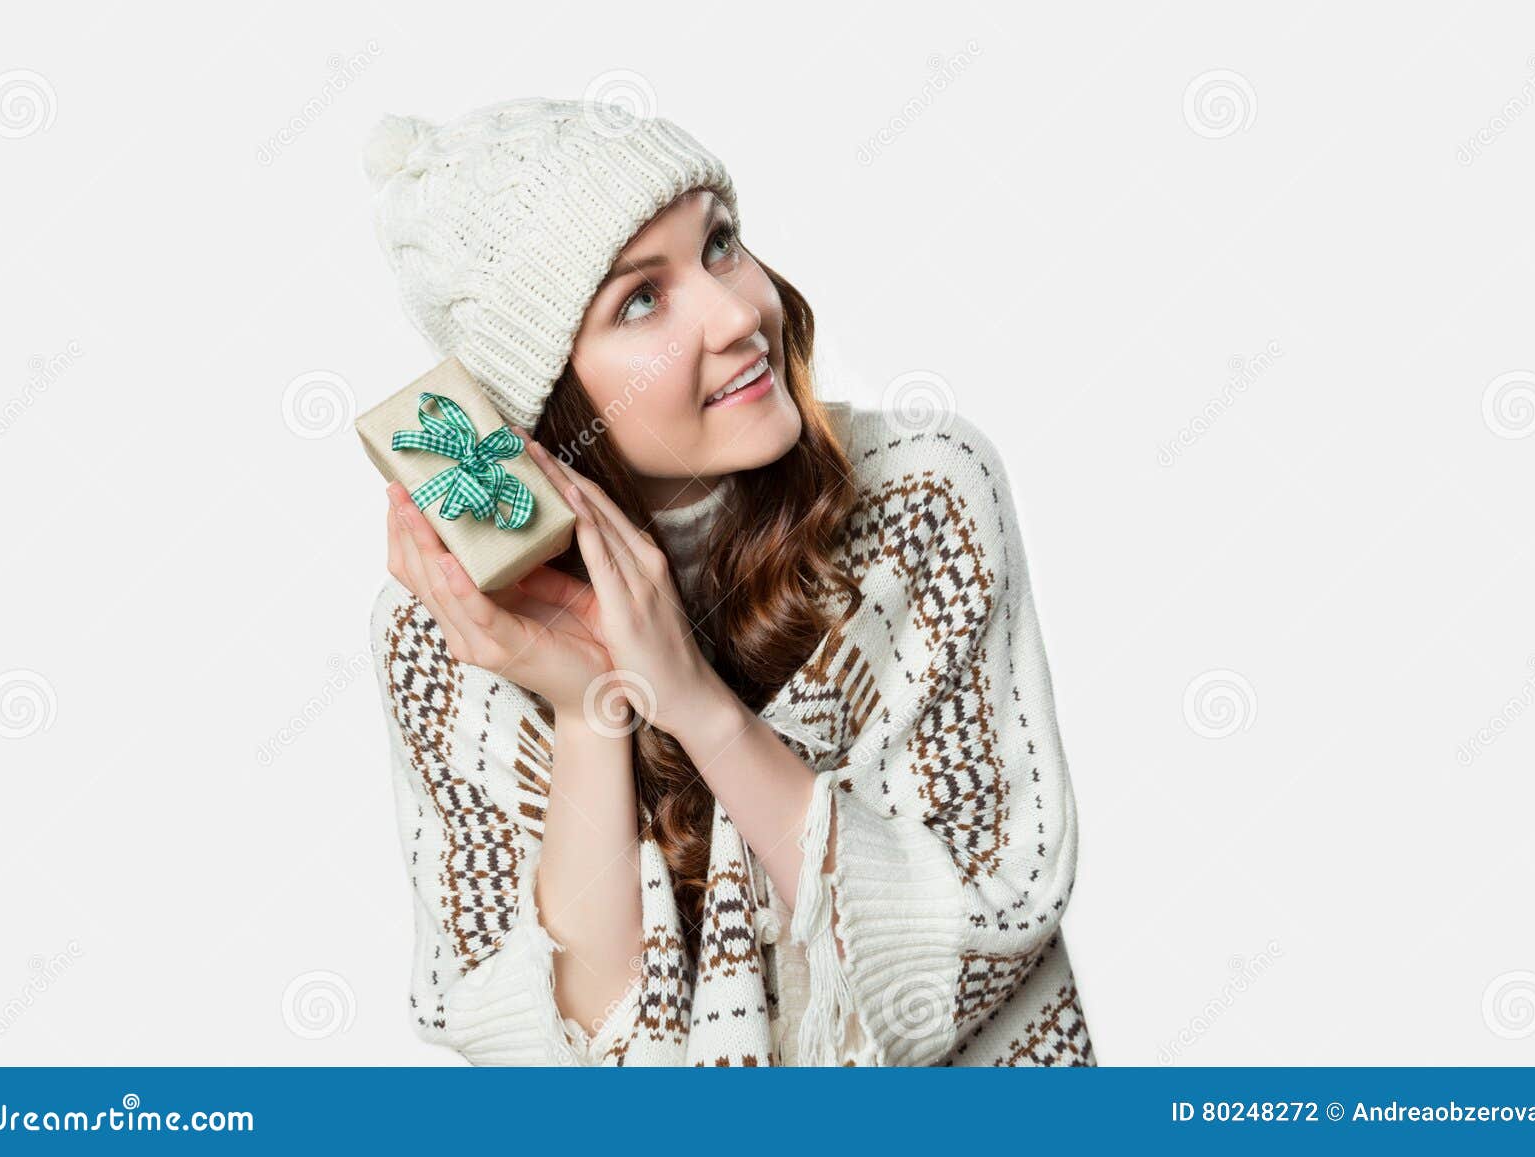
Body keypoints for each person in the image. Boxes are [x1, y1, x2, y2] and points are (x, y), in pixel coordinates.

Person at [363, 96, 1094, 1066]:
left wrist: (699, 706)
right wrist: (589, 710)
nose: (741, 310)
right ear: (541, 404)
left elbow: (968, 954)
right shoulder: (444, 640)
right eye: (639, 298)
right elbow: (562, 1071)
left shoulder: (921, 496)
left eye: (719, 244)